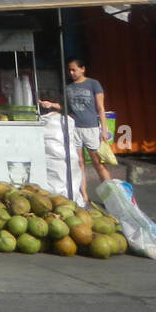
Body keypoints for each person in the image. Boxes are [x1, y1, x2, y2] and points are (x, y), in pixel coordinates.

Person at [65, 57, 111, 196]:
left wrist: (104, 128)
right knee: (79, 164)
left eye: (74, 69)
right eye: (69, 70)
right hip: (75, 129)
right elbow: (66, 108)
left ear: (82, 69)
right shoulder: (68, 88)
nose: (71, 72)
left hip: (91, 128)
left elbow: (100, 107)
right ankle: (83, 196)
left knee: (98, 164)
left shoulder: (93, 84)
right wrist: (51, 104)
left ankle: (111, 195)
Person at [38, 88, 87, 206]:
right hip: (71, 159)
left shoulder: (42, 121)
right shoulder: (69, 120)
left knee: (55, 184)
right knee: (71, 181)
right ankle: (73, 199)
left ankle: (57, 201)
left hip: (55, 161)